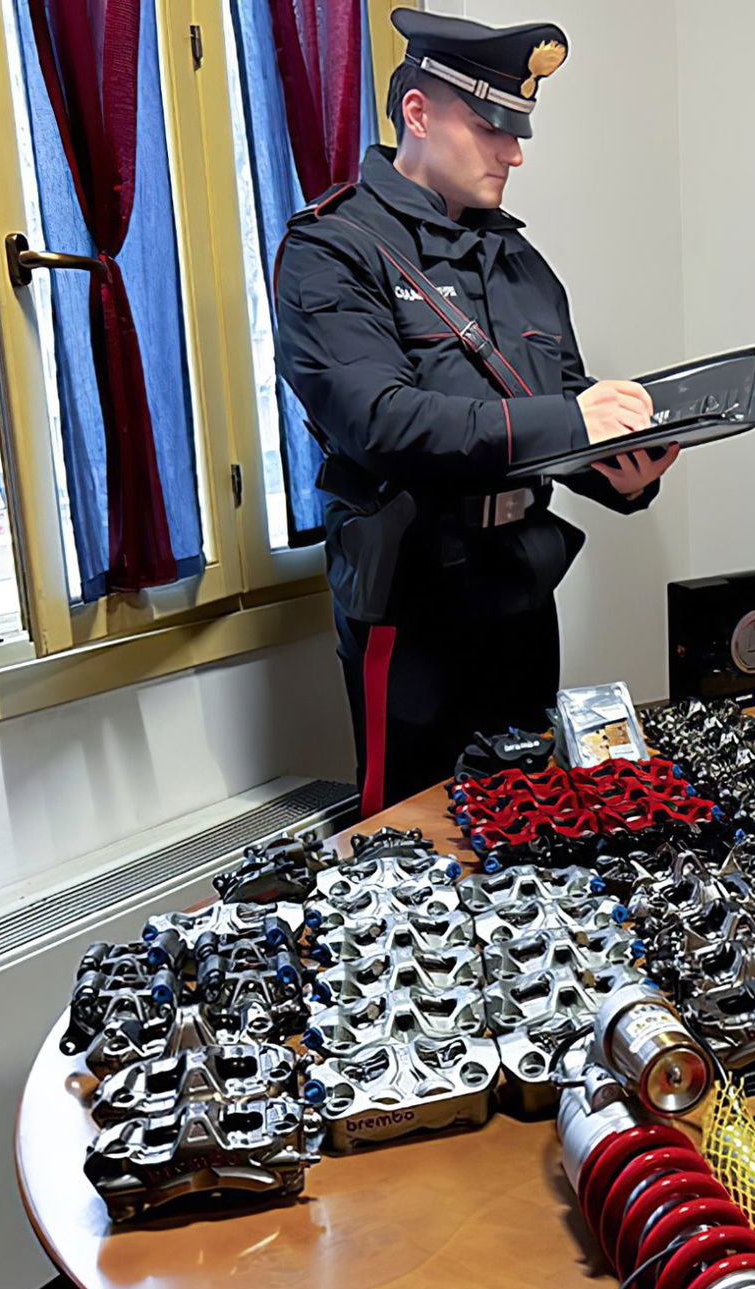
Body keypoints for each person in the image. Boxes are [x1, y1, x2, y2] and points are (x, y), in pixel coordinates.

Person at [275, 11, 677, 813]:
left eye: (518, 128)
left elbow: (555, 403)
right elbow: (382, 421)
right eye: (493, 125)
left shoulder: (517, 257)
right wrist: (575, 422)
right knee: (419, 833)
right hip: (413, 595)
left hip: (521, 585)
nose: (514, 151)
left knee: (534, 816)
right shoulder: (332, 249)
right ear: (417, 113)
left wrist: (622, 469)